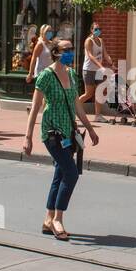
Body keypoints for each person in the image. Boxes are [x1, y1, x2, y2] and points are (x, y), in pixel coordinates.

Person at [24, 39, 99, 241]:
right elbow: (35, 107)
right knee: (71, 173)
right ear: (56, 52)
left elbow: (77, 105)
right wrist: (28, 136)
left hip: (67, 132)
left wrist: (90, 129)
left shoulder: (72, 75)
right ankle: (58, 218)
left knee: (60, 173)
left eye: (72, 49)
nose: (71, 53)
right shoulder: (46, 76)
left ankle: (48, 220)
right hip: (51, 131)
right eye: (67, 50)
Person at [79, 22, 114, 122]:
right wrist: (101, 66)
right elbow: (90, 56)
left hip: (99, 70)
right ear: (91, 30)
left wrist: (111, 64)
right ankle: (73, 109)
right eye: (95, 29)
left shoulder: (101, 41)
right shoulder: (88, 41)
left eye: (99, 29)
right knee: (88, 94)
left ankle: (98, 115)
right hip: (89, 70)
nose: (98, 31)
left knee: (99, 92)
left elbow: (105, 54)